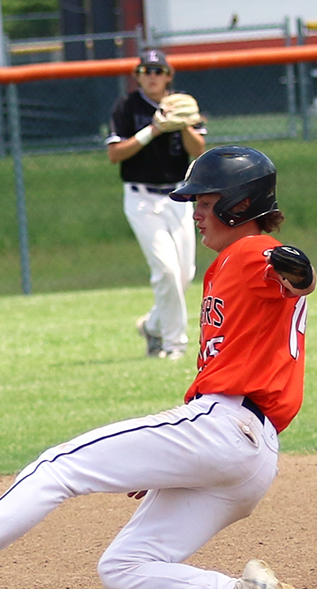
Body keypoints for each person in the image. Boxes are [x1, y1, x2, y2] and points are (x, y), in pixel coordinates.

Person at [0, 146, 315, 589]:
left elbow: (291, 272)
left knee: (58, 467)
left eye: (205, 202)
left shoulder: (252, 251)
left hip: (223, 426)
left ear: (239, 204)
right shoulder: (231, 262)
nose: (196, 214)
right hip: (251, 459)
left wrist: (297, 268)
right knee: (125, 568)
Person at [107, 49, 207, 360]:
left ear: (168, 76)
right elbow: (115, 154)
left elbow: (199, 148)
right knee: (165, 270)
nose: (152, 75)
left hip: (178, 195)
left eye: (158, 70)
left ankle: (152, 325)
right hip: (141, 198)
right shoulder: (127, 106)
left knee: (184, 275)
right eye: (146, 70)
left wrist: (182, 125)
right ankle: (174, 344)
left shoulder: (181, 105)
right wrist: (153, 129)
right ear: (137, 76)